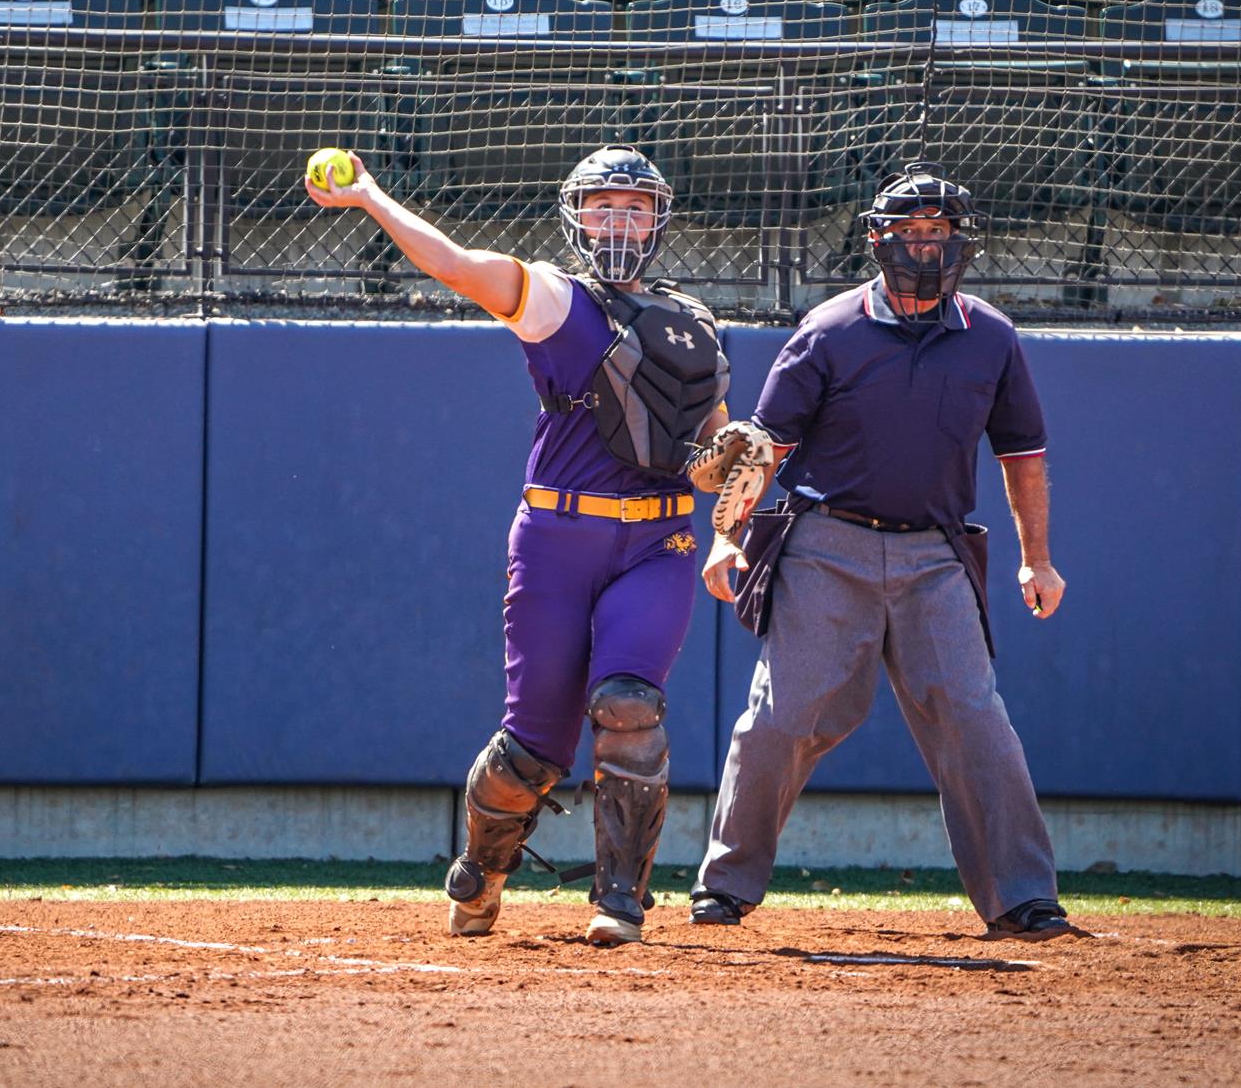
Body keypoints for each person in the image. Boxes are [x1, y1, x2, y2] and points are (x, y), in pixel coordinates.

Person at [305, 146, 731, 947]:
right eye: (604, 205)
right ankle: (483, 871)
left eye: (635, 207)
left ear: (660, 219)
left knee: (630, 706)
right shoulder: (558, 300)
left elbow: (716, 448)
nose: (620, 221)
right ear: (576, 216)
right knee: (534, 746)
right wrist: (371, 197)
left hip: (660, 537)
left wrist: (730, 516)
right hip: (558, 535)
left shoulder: (694, 320)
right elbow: (460, 266)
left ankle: (621, 900)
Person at [687, 165, 1077, 942]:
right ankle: (725, 886)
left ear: (962, 241)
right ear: (877, 239)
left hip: (935, 553)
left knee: (975, 717)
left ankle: (1024, 897)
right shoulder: (829, 329)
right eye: (910, 231)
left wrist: (1038, 557)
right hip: (826, 545)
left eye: (939, 231)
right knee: (782, 715)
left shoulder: (991, 336)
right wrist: (728, 536)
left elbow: (1023, 456)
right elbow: (759, 451)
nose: (925, 246)